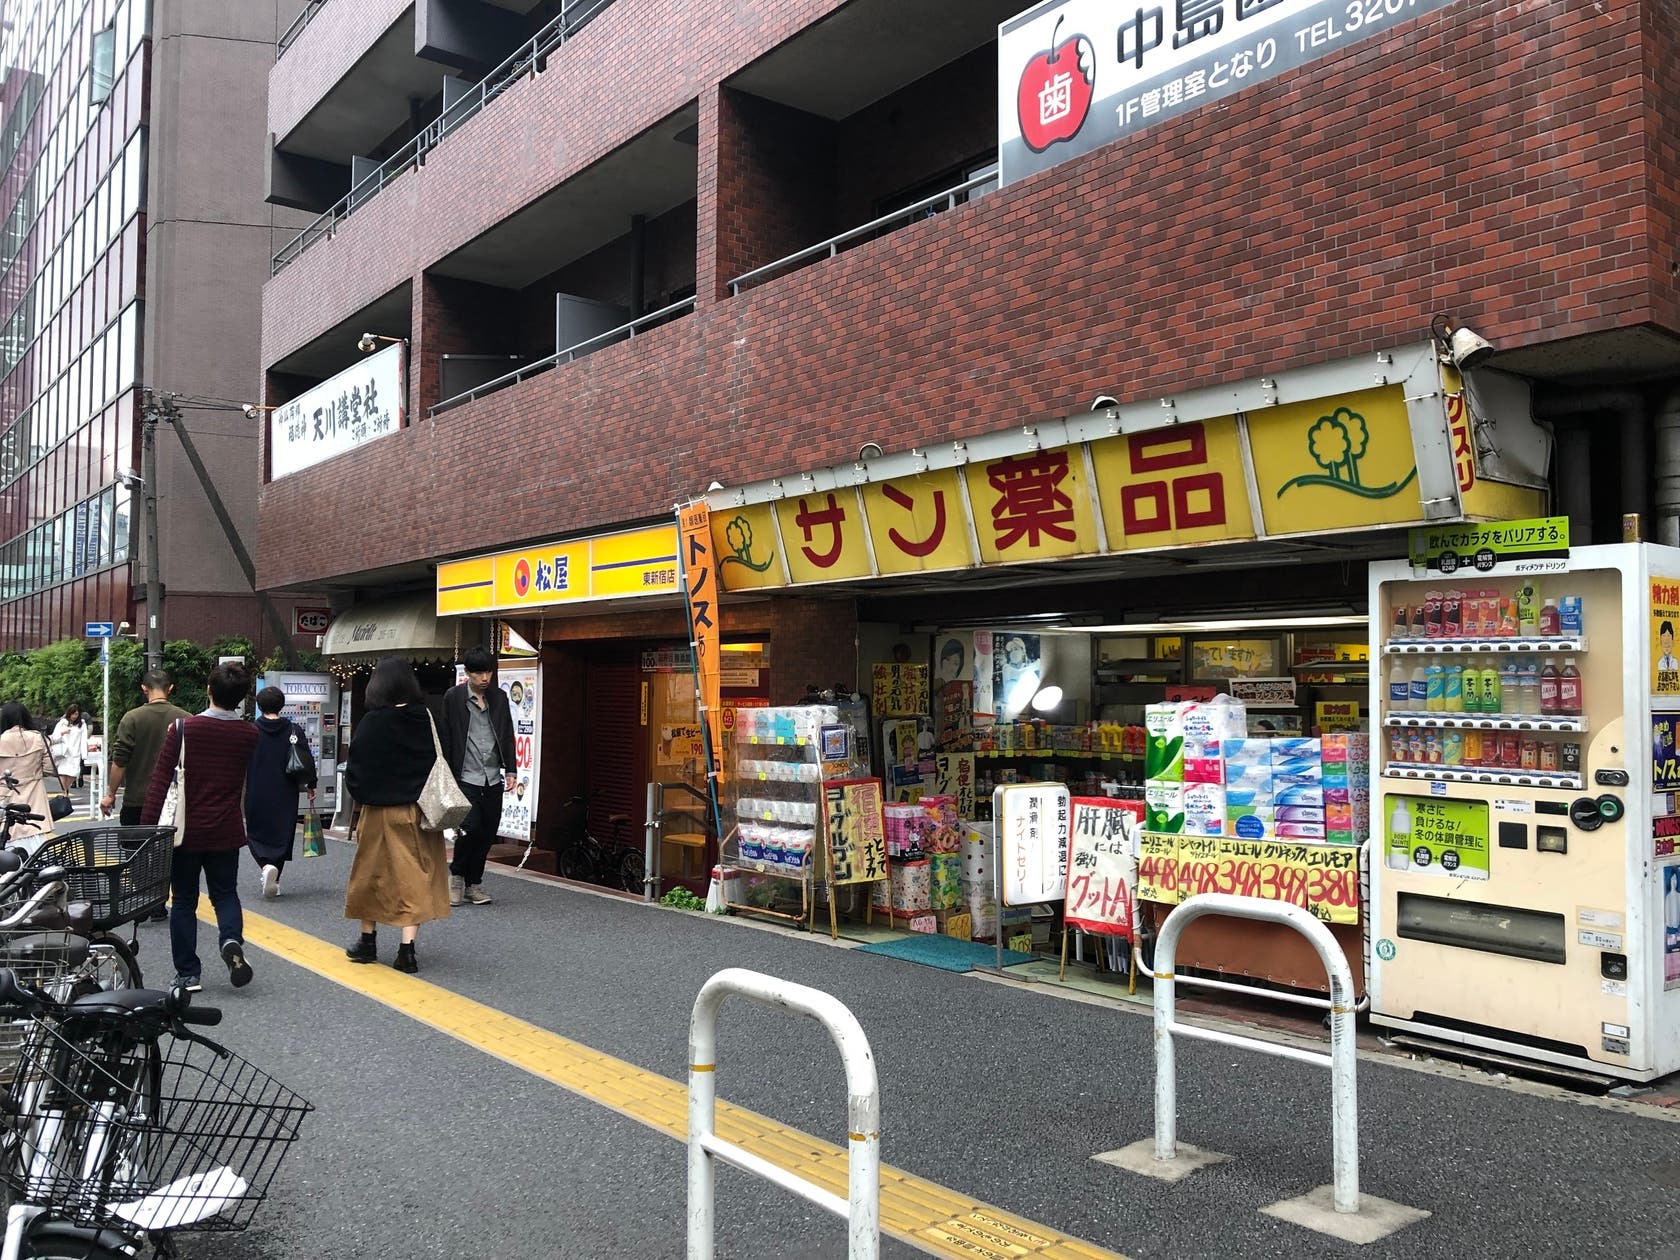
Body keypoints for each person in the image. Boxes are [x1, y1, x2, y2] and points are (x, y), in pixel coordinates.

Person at [141, 662, 260, 993]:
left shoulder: (183, 729)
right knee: (225, 894)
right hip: (225, 830)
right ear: (242, 698)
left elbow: (161, 782)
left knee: (183, 901)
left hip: (185, 833)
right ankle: (231, 941)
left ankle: (188, 974)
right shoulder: (249, 734)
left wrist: (147, 829)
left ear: (208, 690)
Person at [344, 656, 450, 972]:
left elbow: (356, 771)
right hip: (417, 812)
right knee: (414, 877)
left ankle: (367, 942)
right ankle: (407, 951)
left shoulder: (372, 722)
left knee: (369, 875)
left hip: (377, 812)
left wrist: (364, 793)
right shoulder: (426, 719)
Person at [439, 646, 517, 908]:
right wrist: (447, 774)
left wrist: (512, 769)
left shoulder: (499, 698)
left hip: (492, 776)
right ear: (468, 674)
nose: (485, 678)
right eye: (479, 673)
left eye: (488, 672)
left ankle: (475, 883)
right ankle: (457, 876)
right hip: (466, 775)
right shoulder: (454, 697)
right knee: (469, 828)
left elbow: (507, 734)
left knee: (487, 831)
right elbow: (447, 736)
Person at [245, 686, 317, 900]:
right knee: (282, 833)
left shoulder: (251, 730)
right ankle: (274, 879)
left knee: (256, 832)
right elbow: (306, 760)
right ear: (282, 705)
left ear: (259, 705)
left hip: (257, 789)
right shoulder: (294, 730)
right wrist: (310, 785)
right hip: (285, 790)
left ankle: (265, 867)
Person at [102, 670, 192, 825]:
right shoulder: (186, 719)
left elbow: (120, 761)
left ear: (144, 688)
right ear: (170, 688)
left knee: (136, 848)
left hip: (137, 802)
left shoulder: (132, 718)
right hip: (174, 802)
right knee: (171, 848)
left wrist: (111, 794)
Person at [0, 702, 58, 854]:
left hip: (5, 800)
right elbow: (50, 769)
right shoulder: (39, 739)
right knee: (36, 855)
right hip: (34, 800)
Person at [49, 702, 88, 793]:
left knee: (74, 773)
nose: (74, 716)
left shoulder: (82, 724)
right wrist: (62, 733)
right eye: (72, 714)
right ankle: (64, 792)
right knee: (63, 772)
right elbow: (54, 737)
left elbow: (84, 740)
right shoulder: (62, 723)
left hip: (75, 753)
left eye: (76, 714)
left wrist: (84, 754)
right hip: (64, 753)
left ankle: (65, 790)